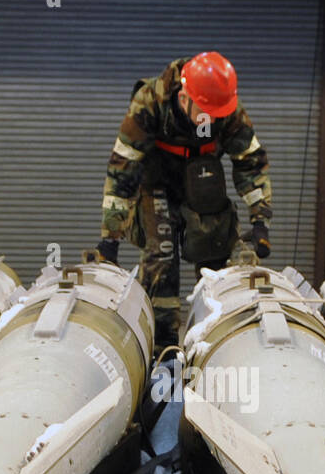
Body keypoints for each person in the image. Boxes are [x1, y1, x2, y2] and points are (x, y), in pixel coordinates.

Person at [96, 52, 272, 347]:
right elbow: (122, 169)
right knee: (161, 261)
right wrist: (109, 238)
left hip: (203, 185)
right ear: (185, 97)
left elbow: (250, 162)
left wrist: (260, 220)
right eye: (206, 111)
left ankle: (217, 342)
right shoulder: (150, 103)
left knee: (217, 262)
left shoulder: (224, 108)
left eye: (216, 113)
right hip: (157, 185)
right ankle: (163, 350)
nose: (211, 119)